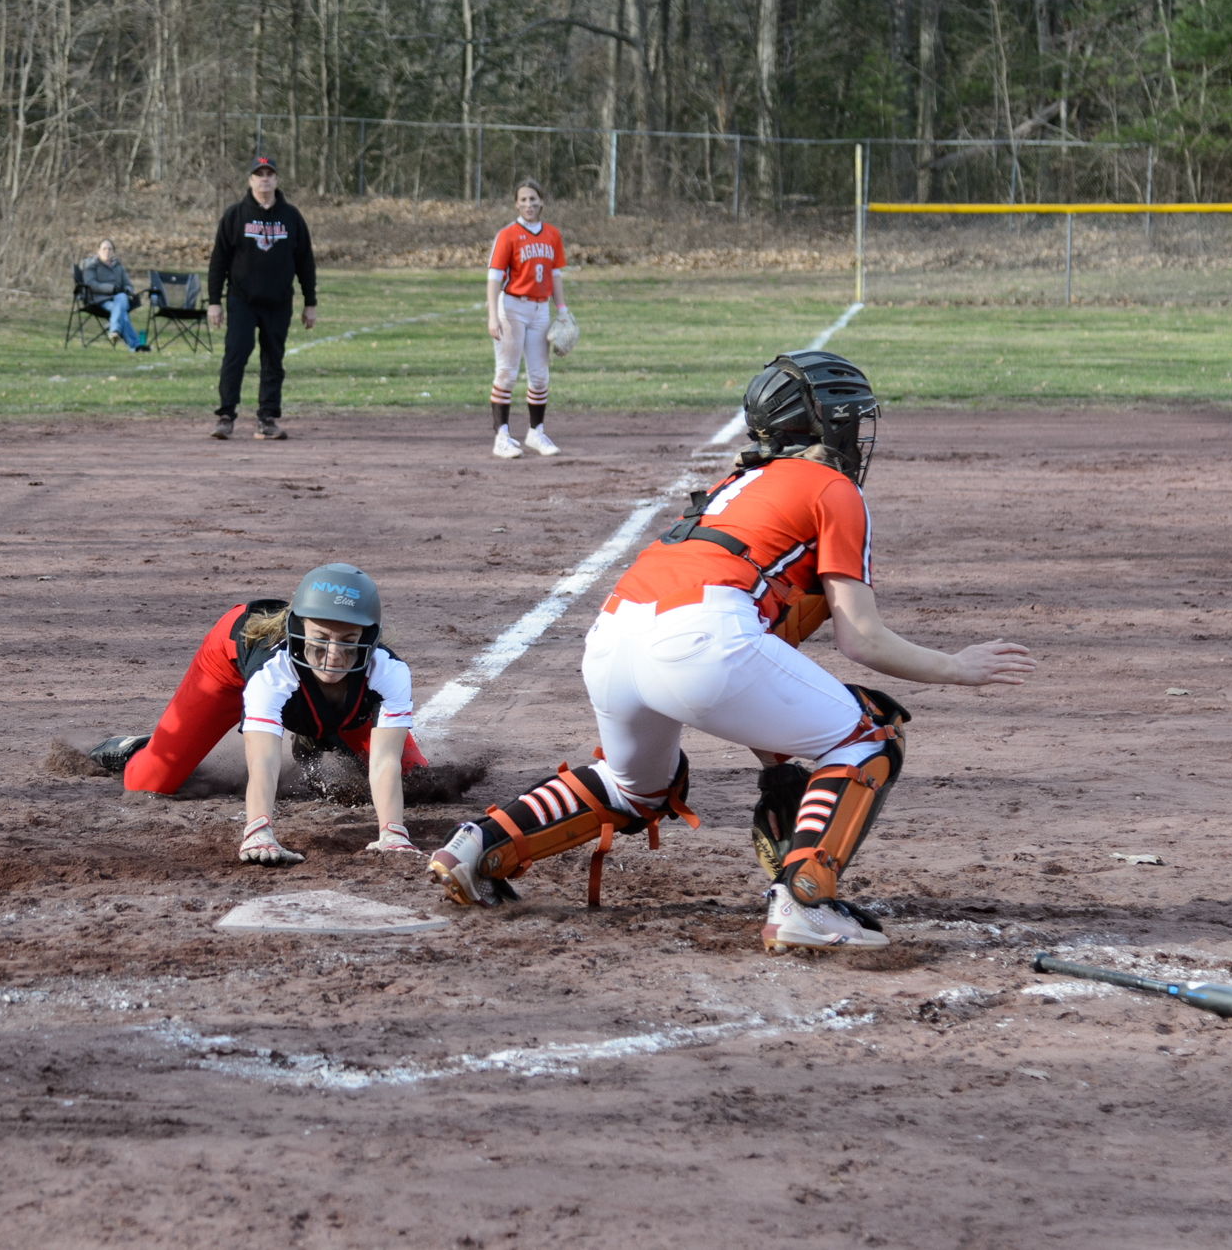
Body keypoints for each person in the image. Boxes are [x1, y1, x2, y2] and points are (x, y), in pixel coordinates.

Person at [428, 353, 1036, 952]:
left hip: (614, 637)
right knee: (871, 731)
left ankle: (478, 847)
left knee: (635, 786)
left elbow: (755, 664)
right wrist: (959, 668)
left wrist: (779, 770)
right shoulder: (833, 487)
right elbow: (861, 639)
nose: (857, 434)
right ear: (826, 426)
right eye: (851, 421)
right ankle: (805, 900)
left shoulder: (734, 485)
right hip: (702, 637)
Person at [87, 564, 427, 862]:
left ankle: (318, 728)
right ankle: (141, 747)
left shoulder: (388, 670)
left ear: (370, 637)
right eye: (320, 636)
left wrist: (393, 834)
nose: (334, 654)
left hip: (317, 691)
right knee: (148, 782)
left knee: (416, 779)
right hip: (228, 666)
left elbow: (386, 761)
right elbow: (264, 760)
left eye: (349, 639)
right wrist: (259, 830)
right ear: (299, 628)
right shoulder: (272, 672)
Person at [206, 156, 316, 441]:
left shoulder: (291, 217)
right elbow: (218, 261)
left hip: (279, 301)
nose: (264, 178)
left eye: (269, 174)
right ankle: (226, 416)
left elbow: (305, 262)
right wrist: (214, 301)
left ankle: (267, 419)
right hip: (242, 299)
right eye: (259, 174)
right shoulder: (235, 215)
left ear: (276, 180)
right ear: (250, 180)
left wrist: (310, 302)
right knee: (236, 354)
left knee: (273, 360)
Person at [485, 178, 571, 459]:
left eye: (533, 199)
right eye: (522, 200)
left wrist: (562, 310)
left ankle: (536, 433)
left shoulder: (552, 235)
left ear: (542, 201)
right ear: (516, 204)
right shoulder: (508, 235)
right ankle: (502, 437)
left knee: (539, 375)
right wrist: (492, 316)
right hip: (512, 307)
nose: (528, 204)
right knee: (507, 372)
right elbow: (494, 277)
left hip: (540, 309)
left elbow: (555, 274)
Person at [79, 238, 146, 351]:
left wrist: (125, 290)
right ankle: (135, 345)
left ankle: (114, 329)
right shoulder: (91, 266)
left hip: (120, 299)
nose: (107, 251)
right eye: (104, 249)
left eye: (110, 249)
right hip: (99, 301)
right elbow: (91, 284)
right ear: (98, 251)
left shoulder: (119, 267)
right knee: (121, 311)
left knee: (121, 298)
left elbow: (129, 285)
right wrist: (112, 289)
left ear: (113, 252)